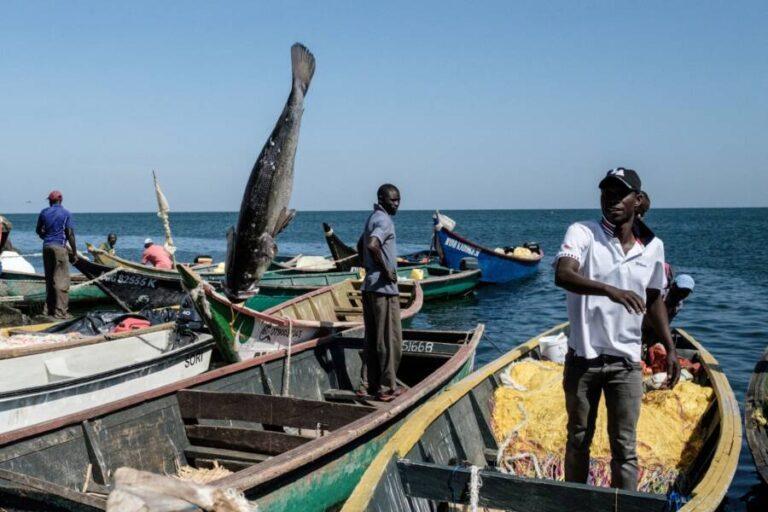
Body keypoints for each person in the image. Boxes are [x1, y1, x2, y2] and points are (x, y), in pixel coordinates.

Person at [554, 168, 681, 491]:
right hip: (584, 359)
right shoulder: (582, 233)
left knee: (624, 449)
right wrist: (610, 290)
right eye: (605, 193)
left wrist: (670, 347)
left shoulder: (652, 247)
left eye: (620, 193)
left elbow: (654, 300)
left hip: (626, 364)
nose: (611, 199)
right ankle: (574, 504)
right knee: (578, 438)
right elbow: (564, 274)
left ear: (637, 200)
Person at [356, 184, 403, 402]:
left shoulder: (372, 218)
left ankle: (366, 385)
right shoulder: (384, 220)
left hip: (369, 287)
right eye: (392, 200)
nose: (397, 204)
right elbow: (373, 245)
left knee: (372, 338)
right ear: (381, 199)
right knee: (389, 340)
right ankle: (386, 388)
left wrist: (366, 267)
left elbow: (361, 244)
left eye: (398, 200)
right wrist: (387, 271)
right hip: (383, 289)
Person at [36, 190, 78, 319]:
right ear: (61, 200)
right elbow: (69, 234)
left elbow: (38, 230)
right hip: (59, 247)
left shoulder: (44, 212)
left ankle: (48, 311)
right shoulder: (66, 213)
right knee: (61, 281)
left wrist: (47, 239)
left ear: (50, 200)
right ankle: (60, 313)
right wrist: (75, 253)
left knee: (49, 279)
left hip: (47, 247)